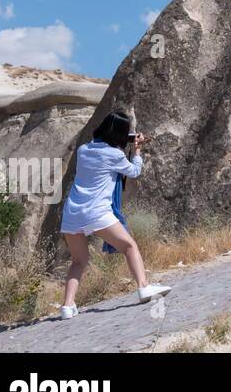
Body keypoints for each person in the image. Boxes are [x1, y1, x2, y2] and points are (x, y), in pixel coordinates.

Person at [59, 110, 171, 319]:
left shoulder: (83, 150)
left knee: (78, 261)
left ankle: (67, 306)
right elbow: (134, 171)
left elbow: (103, 152)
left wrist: (124, 142)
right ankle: (143, 286)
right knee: (129, 246)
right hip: (97, 212)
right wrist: (136, 150)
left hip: (72, 212)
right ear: (121, 135)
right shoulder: (115, 154)